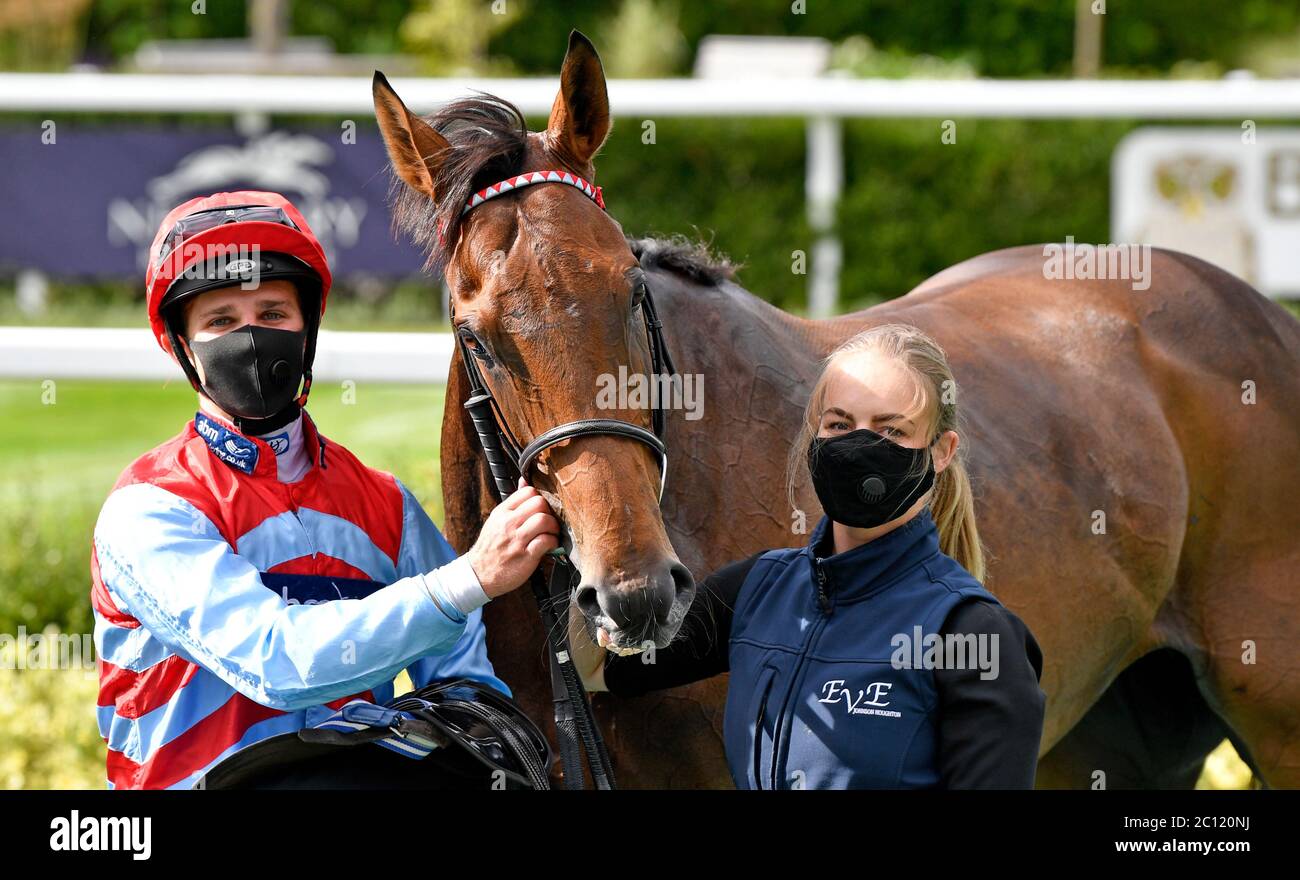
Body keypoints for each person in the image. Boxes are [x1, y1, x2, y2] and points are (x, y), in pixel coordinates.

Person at [91, 191, 559, 789]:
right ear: (182, 345)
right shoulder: (151, 509)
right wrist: (471, 578)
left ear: (308, 328)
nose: (252, 337)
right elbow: (277, 662)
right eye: (221, 321)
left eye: (273, 313)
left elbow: (469, 690)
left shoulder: (387, 505)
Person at [577, 323, 1048, 789]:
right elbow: (605, 668)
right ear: (814, 436)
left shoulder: (975, 633)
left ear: (941, 451)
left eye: (892, 431)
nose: (859, 447)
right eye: (840, 424)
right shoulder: (755, 591)